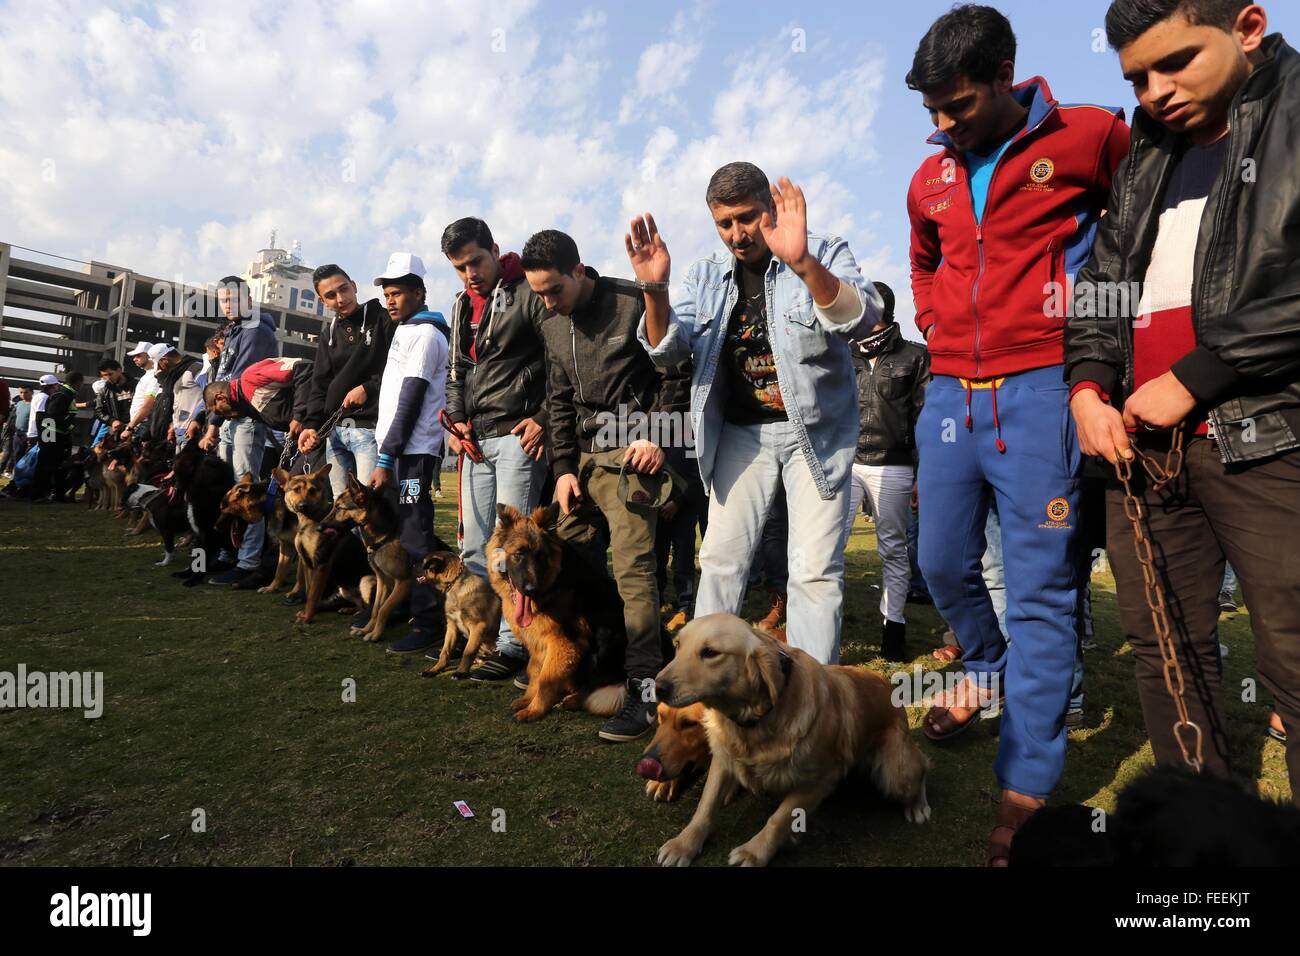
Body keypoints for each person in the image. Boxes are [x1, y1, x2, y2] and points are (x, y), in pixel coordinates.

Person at [904, 4, 1129, 863]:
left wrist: (1097, 345)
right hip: (954, 391)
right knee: (938, 562)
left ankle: (1025, 785)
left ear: (1006, 77)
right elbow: (924, 259)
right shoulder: (928, 177)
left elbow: (1137, 232)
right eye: (930, 110)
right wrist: (936, 323)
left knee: (1042, 594)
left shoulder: (1089, 137)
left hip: (1045, 391)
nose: (943, 124)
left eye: (958, 105)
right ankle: (986, 666)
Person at [1066, 0, 1300, 805]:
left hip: (1273, 436)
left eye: (1175, 63)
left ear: (1246, 26)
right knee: (1168, 653)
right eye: (1137, 77)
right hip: (1143, 452)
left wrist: (1199, 375)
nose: (1156, 90)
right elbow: (1102, 280)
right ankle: (1205, 857)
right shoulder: (1147, 152)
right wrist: (1089, 386)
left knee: (1294, 656)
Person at [636, 162, 881, 665]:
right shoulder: (704, 274)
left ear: (770, 206)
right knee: (721, 562)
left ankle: (812, 702)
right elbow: (669, 352)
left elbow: (863, 317)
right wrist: (654, 290)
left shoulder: (824, 249)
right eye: (724, 223)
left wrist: (804, 263)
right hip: (740, 437)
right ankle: (704, 692)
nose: (737, 233)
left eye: (747, 217)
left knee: (813, 571)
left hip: (815, 433)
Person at [523, 228, 680, 741]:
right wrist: (564, 468)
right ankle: (573, 667)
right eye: (538, 294)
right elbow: (561, 403)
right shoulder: (551, 327)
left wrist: (658, 436)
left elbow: (675, 373)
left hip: (636, 457)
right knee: (557, 556)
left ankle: (643, 690)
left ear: (579, 271)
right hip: (582, 465)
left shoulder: (634, 302)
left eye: (554, 290)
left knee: (634, 571)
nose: (547, 302)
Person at [439, 217, 551, 684]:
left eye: (475, 262)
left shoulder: (527, 290)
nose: (469, 274)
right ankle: (484, 636)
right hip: (475, 439)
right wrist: (455, 419)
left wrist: (544, 417)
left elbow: (559, 357)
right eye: (459, 267)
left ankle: (514, 645)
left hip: (517, 436)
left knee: (514, 551)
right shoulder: (463, 304)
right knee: (473, 548)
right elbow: (455, 373)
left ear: (494, 250)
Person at [843, 281, 930, 660]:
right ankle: (823, 622)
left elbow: (925, 418)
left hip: (893, 464)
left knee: (893, 548)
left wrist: (921, 474)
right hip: (846, 463)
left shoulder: (914, 356)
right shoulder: (845, 354)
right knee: (828, 543)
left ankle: (892, 626)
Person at [369, 253, 450, 656]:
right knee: (406, 532)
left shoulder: (426, 335)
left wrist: (386, 458)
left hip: (412, 455)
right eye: (386, 293)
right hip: (402, 452)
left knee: (416, 536)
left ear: (419, 292)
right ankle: (410, 608)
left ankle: (429, 623)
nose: (390, 300)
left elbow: (411, 399)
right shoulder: (407, 329)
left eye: (398, 292)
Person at [199, 276, 279, 586]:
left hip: (247, 417)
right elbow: (221, 380)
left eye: (233, 298)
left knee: (247, 493)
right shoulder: (233, 330)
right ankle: (231, 553)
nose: (228, 304)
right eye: (223, 300)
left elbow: (235, 383)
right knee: (231, 489)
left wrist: (212, 424)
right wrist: (214, 423)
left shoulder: (256, 329)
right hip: (229, 418)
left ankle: (248, 561)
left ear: (248, 298)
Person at [297, 264, 392, 498]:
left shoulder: (383, 319)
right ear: (322, 301)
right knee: (342, 509)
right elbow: (319, 383)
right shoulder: (328, 333)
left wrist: (370, 388)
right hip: (335, 432)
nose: (341, 298)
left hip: (370, 429)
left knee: (368, 508)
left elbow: (399, 368)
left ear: (354, 286)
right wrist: (310, 425)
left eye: (344, 289)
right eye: (331, 295)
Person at [29, 373, 80, 502]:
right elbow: (44, 418)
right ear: (51, 386)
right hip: (47, 433)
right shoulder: (44, 398)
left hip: (44, 433)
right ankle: (39, 494)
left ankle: (43, 493)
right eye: (56, 386)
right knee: (46, 464)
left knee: (47, 464)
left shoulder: (39, 396)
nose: (58, 388)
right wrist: (49, 437)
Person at [119, 342, 160, 439]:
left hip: (143, 426)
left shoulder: (154, 376)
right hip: (139, 425)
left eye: (138, 355)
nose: (134, 359)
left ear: (149, 355)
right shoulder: (148, 375)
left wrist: (129, 428)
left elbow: (148, 405)